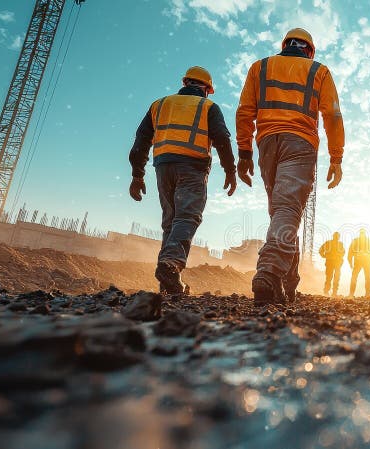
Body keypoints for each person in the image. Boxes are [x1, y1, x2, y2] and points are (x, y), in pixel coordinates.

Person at [236, 28, 345, 304]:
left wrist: (245, 153)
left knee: (283, 212)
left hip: (267, 144)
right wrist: (336, 157)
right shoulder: (318, 71)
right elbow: (332, 114)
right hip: (300, 143)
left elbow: (245, 112)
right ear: (310, 51)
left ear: (285, 45)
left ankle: (288, 282)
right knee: (288, 209)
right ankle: (269, 271)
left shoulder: (260, 68)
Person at [129, 66, 238, 294]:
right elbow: (222, 139)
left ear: (185, 83)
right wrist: (230, 170)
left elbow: (141, 140)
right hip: (193, 167)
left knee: (170, 222)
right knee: (187, 217)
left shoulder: (160, 105)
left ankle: (168, 283)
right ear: (207, 89)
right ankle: (171, 263)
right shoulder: (208, 107)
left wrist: (137, 175)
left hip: (163, 167)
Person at [348, 229, 370, 297]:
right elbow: (350, 252)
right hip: (358, 262)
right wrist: (350, 262)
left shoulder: (369, 241)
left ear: (365, 233)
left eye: (363, 233)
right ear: (359, 233)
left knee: (367, 277)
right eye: (361, 233)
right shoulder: (355, 241)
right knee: (354, 277)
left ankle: (367, 294)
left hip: (367, 262)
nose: (362, 234)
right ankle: (351, 293)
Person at [319, 232, 345, 296]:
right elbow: (321, 250)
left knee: (336, 277)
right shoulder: (328, 243)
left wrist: (340, 257)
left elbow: (343, 252)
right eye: (335, 236)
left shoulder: (340, 244)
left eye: (337, 236)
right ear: (333, 236)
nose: (336, 237)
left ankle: (334, 292)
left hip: (337, 263)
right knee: (329, 277)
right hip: (330, 262)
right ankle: (327, 291)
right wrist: (323, 255)